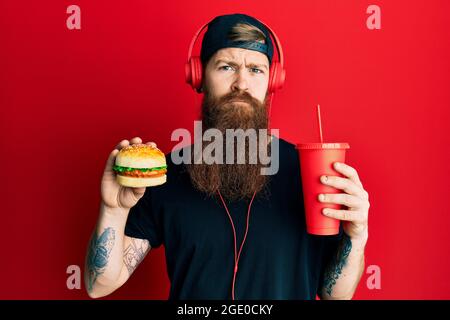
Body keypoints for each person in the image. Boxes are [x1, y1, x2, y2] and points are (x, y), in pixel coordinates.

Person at [84, 13, 370, 300]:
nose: (241, 83)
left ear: (273, 82)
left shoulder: (308, 173)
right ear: (198, 76)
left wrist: (356, 237)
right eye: (226, 66)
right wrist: (113, 209)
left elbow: (337, 295)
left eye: (256, 70)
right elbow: (100, 285)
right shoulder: (164, 174)